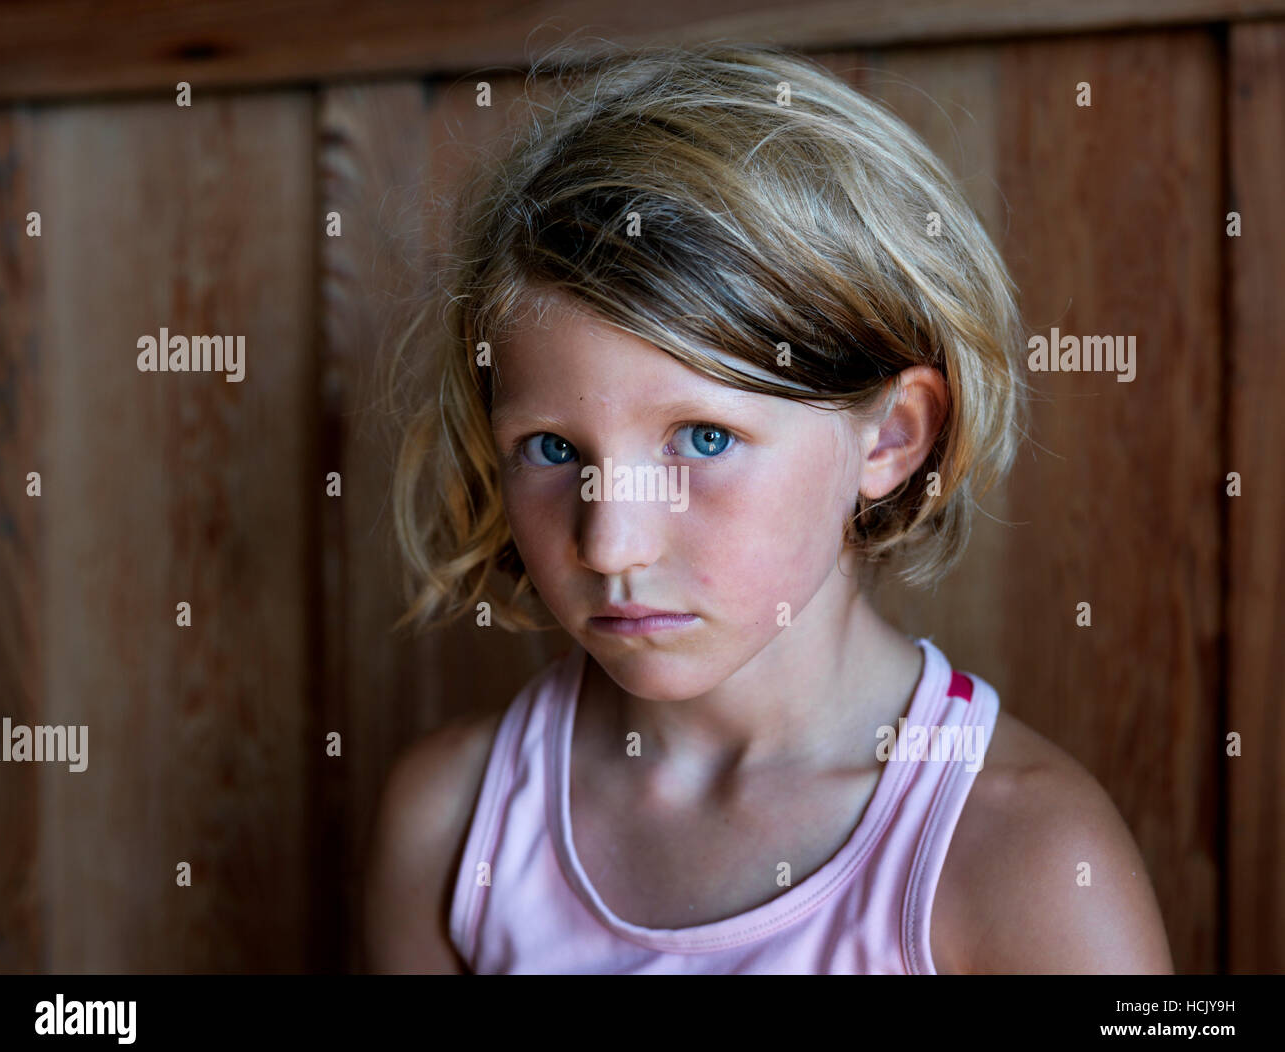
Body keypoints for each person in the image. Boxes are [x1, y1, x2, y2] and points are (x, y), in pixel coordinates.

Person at [365, 39, 1173, 974]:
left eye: (703, 439)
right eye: (553, 450)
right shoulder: (454, 829)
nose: (609, 541)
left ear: (890, 438)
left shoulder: (1024, 863)